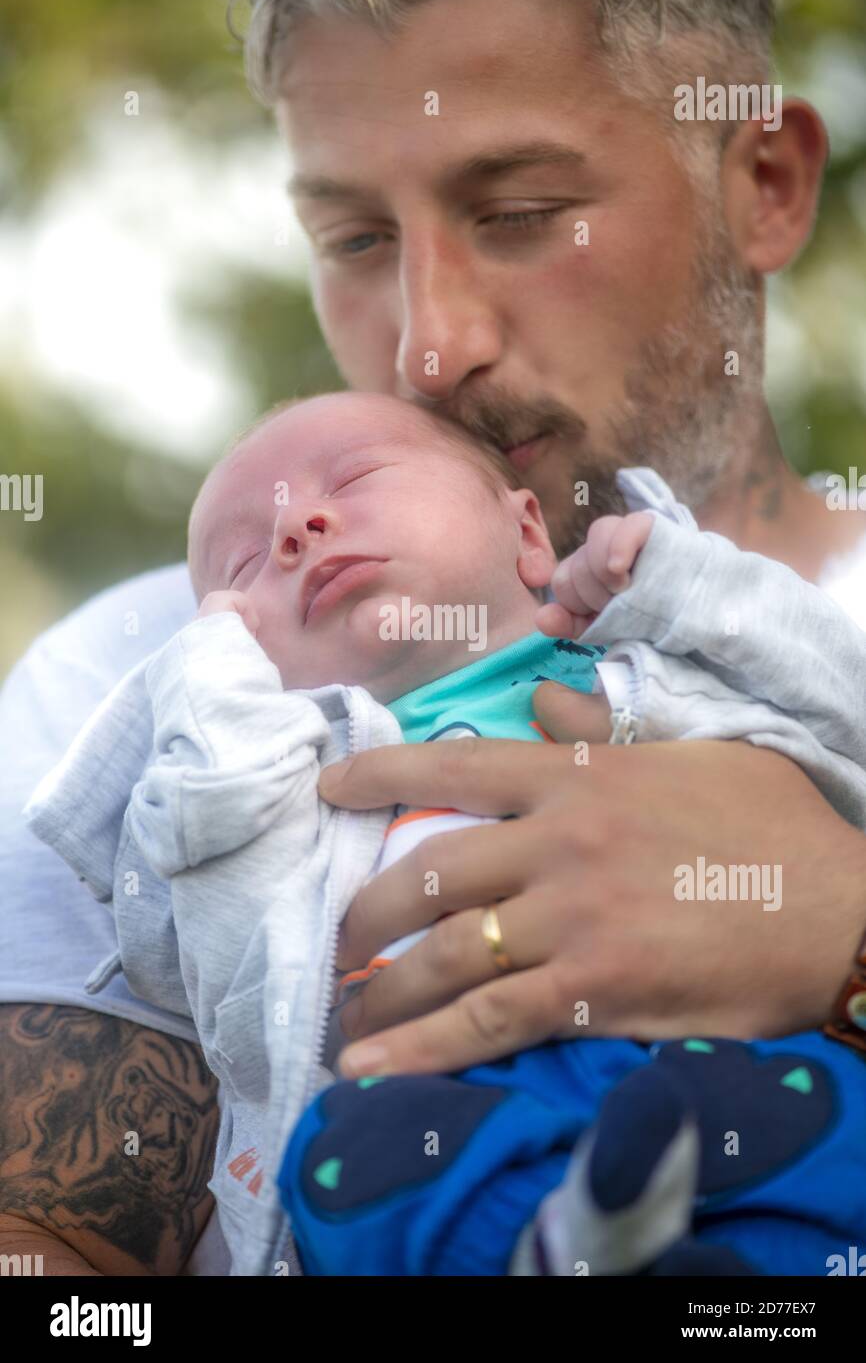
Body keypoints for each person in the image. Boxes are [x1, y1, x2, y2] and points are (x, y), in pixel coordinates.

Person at [2, 0, 866, 1276]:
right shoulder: (153, 681)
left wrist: (841, 930)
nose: (426, 346)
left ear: (765, 184)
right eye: (352, 238)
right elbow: (57, 1253)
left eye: (520, 214)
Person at [26, 391, 866, 1276]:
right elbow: (222, 939)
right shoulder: (307, 797)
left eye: (354, 478)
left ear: (530, 535)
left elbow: (840, 708)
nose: (296, 530)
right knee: (348, 1152)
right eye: (243, 567)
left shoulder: (663, 674)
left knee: (818, 1126)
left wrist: (682, 582)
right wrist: (213, 695)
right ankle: (550, 1248)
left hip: (729, 1052)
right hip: (452, 1097)